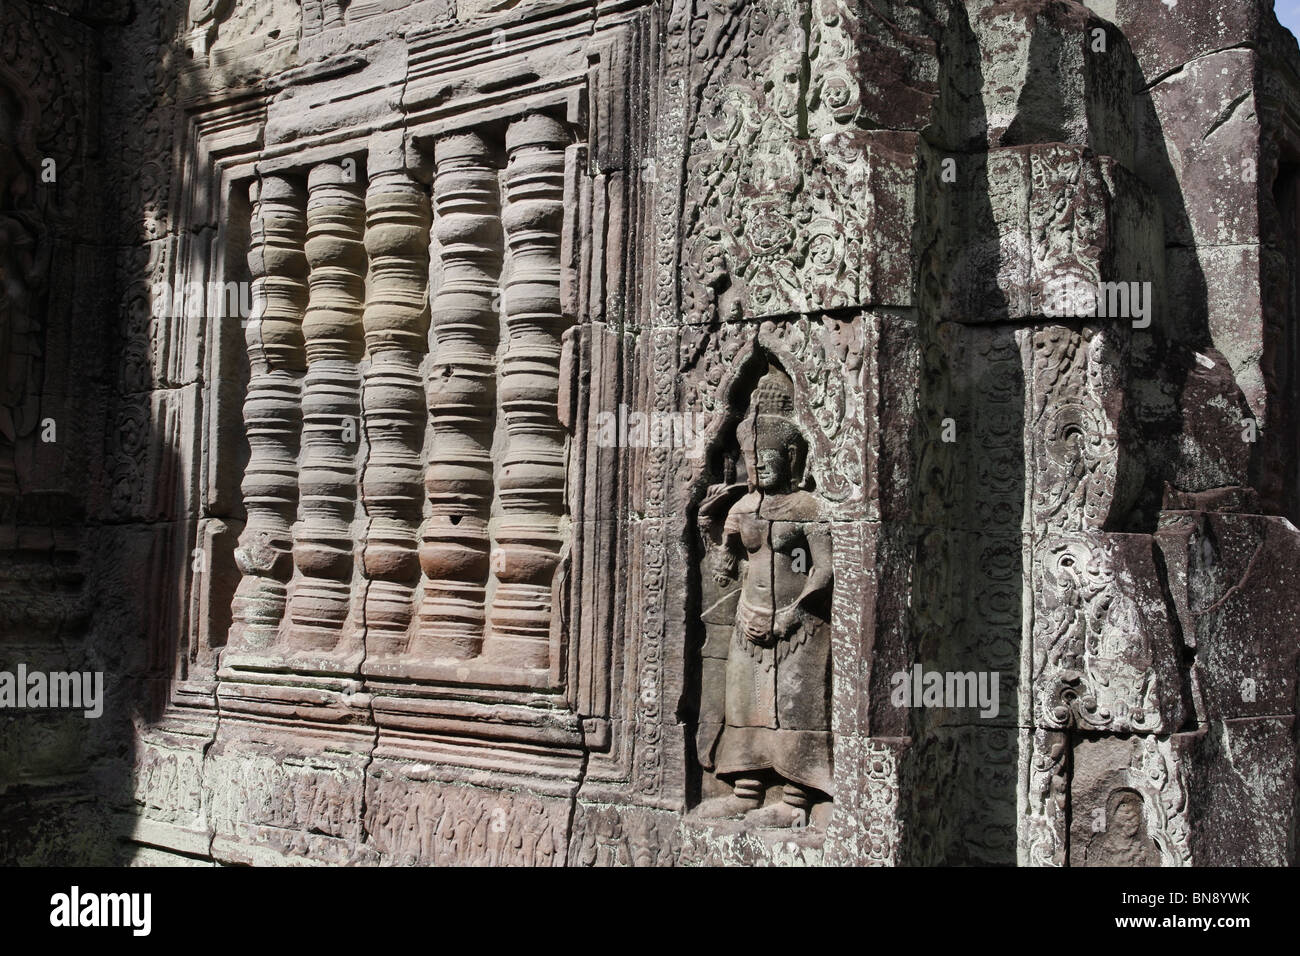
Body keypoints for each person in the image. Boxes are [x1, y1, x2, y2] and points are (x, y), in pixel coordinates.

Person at [696, 367, 833, 827]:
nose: (757, 466)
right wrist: (711, 528)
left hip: (800, 626)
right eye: (751, 456)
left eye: (766, 455)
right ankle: (746, 790)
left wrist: (791, 616)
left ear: (792, 455)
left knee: (795, 707)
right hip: (748, 621)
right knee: (744, 701)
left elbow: (824, 570)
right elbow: (723, 568)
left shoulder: (806, 509)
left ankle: (795, 799)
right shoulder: (744, 507)